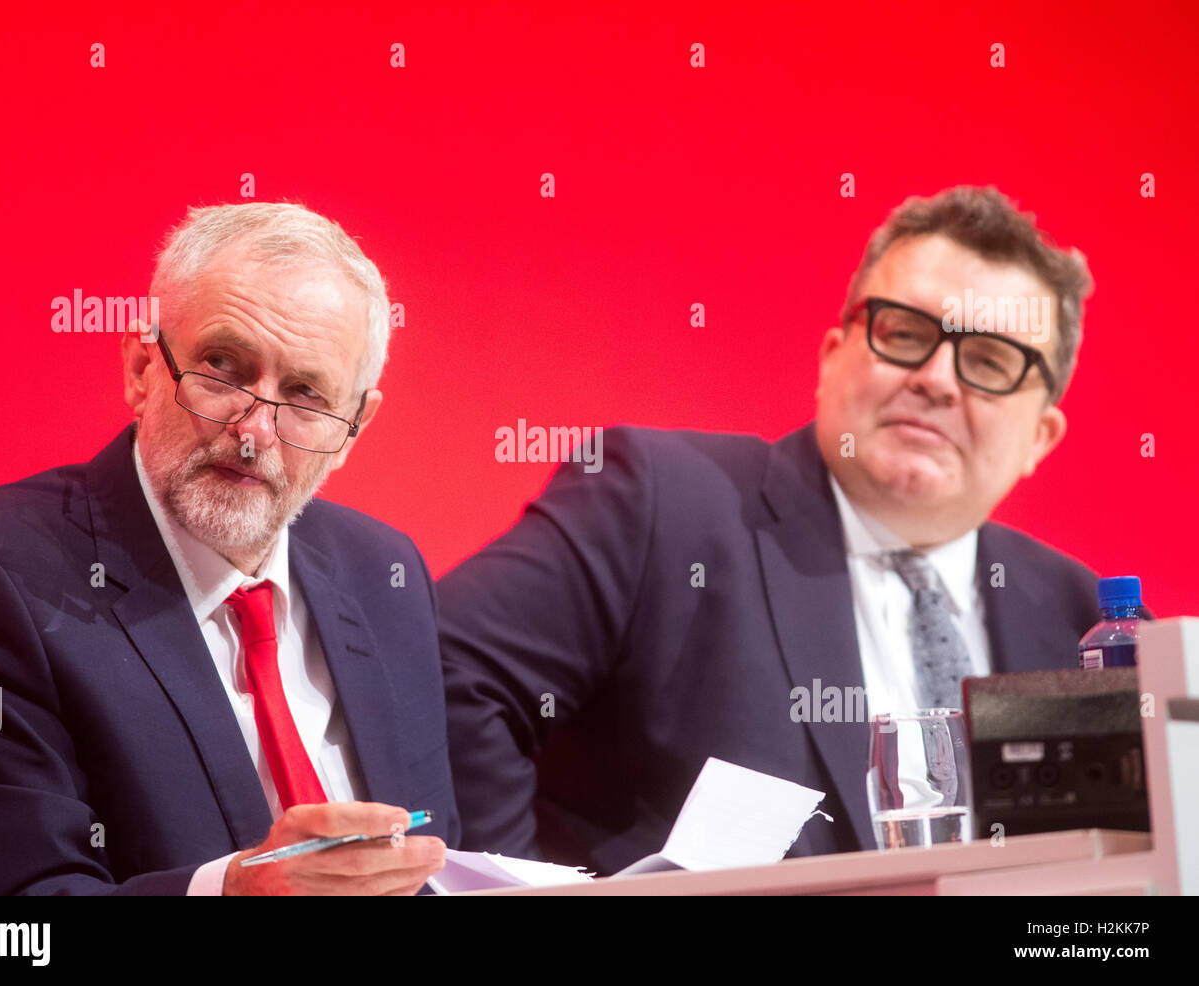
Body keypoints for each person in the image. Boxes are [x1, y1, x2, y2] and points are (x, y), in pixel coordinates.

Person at [439, 186, 1105, 875]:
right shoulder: (657, 502)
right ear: (831, 356)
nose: (937, 379)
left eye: (991, 361)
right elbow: (443, 674)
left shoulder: (1085, 625)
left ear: (1041, 436)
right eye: (905, 334)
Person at [0, 202, 454, 895]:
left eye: (307, 395)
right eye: (223, 368)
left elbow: (445, 861)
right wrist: (229, 893)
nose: (255, 431)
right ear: (141, 368)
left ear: (354, 428)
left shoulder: (385, 576)